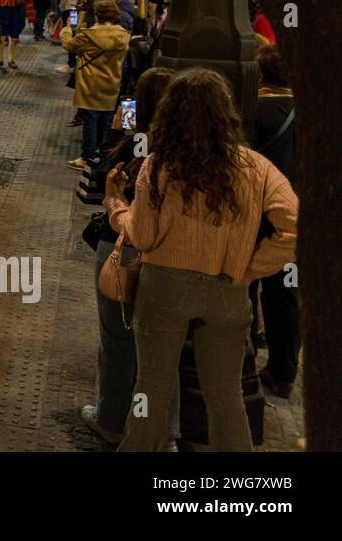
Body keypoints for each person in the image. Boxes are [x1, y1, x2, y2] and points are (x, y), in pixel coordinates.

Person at [105, 68, 297, 451]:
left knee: (150, 391)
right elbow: (293, 225)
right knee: (226, 398)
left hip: (164, 288)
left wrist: (115, 206)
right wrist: (250, 266)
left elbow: (141, 236)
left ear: (171, 113)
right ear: (228, 112)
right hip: (227, 289)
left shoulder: (160, 166)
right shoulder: (256, 168)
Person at [80, 67, 177, 447]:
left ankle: (112, 419)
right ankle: (164, 432)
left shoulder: (135, 142)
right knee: (160, 349)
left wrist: (118, 131)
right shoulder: (182, 146)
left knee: (118, 340)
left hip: (122, 247)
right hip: (166, 257)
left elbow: (97, 186)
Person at [247, 44, 298, 398]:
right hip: (298, 221)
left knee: (247, 284)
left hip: (259, 215)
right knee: (286, 296)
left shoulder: (255, 111)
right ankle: (283, 373)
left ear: (260, 75)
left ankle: (244, 360)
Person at [63, 0, 131, 171]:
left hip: (90, 83)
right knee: (106, 121)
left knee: (90, 120)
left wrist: (66, 30)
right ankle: (102, 155)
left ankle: (87, 156)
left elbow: (69, 45)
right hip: (112, 82)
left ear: (97, 15)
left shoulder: (89, 35)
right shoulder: (123, 35)